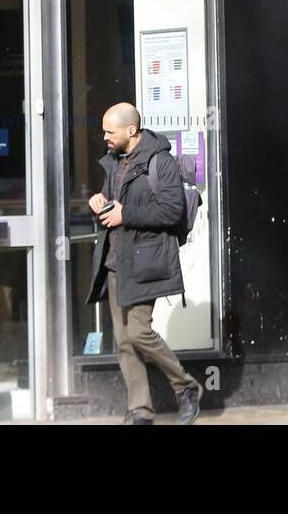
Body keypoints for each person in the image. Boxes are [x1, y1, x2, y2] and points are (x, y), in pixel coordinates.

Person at [86, 102, 202, 425]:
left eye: (110, 131)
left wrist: (127, 214)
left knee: (138, 333)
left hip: (145, 261)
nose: (105, 137)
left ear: (131, 130)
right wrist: (99, 204)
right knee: (124, 341)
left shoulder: (159, 161)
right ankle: (140, 410)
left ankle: (186, 387)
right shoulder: (114, 161)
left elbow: (171, 211)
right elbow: (113, 209)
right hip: (114, 261)